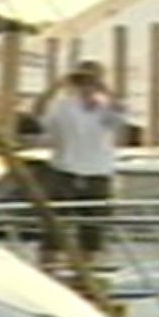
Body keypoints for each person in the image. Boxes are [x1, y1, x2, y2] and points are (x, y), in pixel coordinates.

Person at [35, 60, 126, 270]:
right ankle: (48, 267)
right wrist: (57, 85)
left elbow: (119, 114)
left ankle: (86, 271)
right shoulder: (63, 105)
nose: (86, 85)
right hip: (64, 169)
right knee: (54, 225)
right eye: (82, 80)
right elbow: (38, 112)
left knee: (93, 228)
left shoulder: (105, 109)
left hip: (98, 171)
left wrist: (105, 89)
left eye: (91, 80)